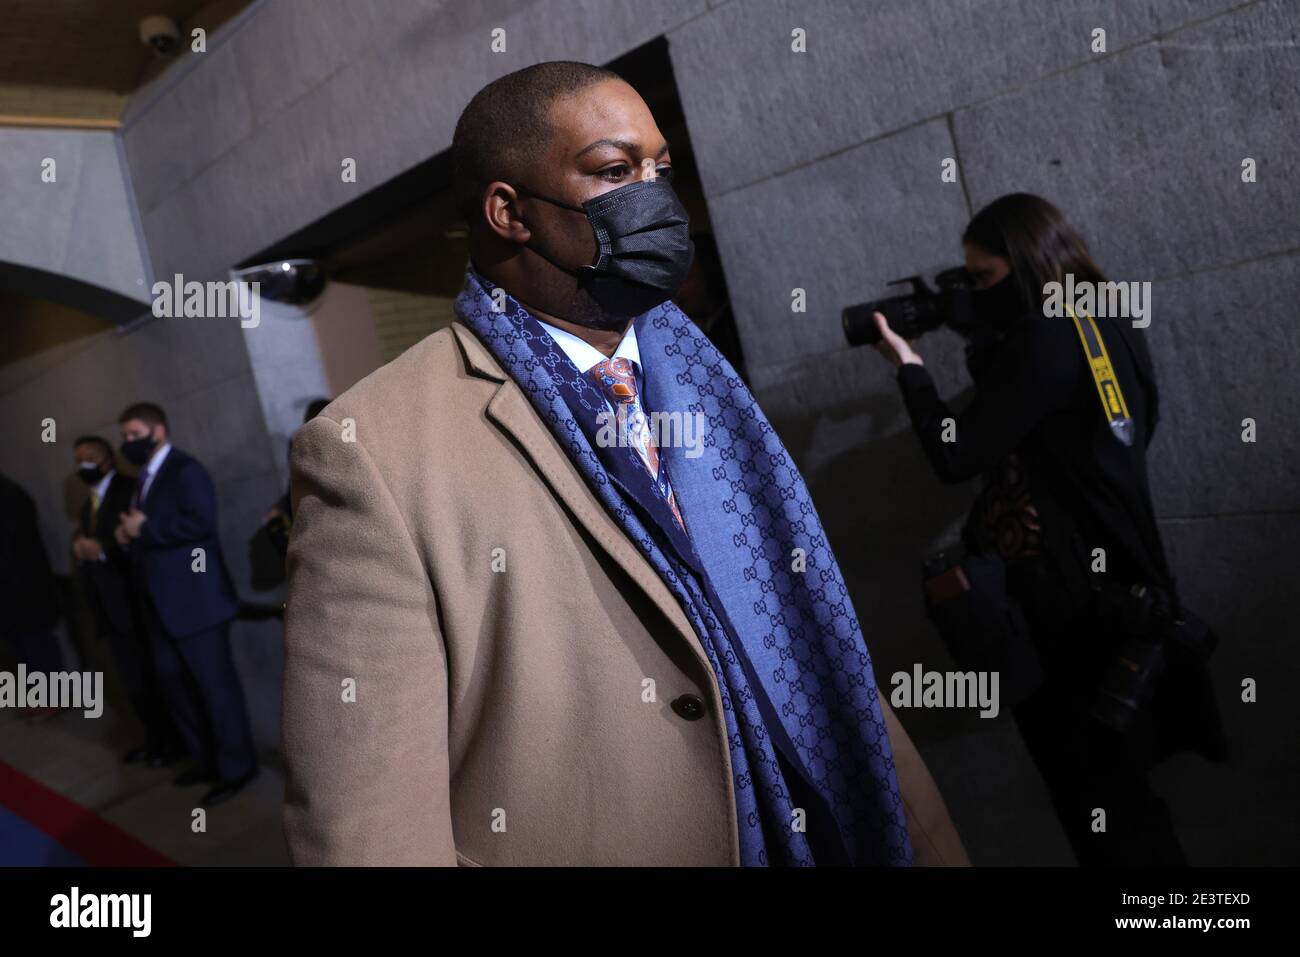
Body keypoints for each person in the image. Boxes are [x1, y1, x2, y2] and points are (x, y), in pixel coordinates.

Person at [283, 61, 968, 866]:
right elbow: (368, 827)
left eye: (660, 170)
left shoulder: (703, 378)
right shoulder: (367, 450)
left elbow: (806, 633)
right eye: (615, 171)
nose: (656, 196)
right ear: (509, 211)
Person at [871, 192, 1227, 866]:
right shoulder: (1106, 320)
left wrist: (911, 369)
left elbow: (957, 451)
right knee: (1122, 789)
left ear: (1027, 263)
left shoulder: (1043, 339)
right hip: (1126, 587)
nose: (977, 292)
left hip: (1063, 607)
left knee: (1093, 798)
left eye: (984, 278)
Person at [114, 402, 258, 807]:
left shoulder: (185, 469)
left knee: (215, 691)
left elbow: (200, 522)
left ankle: (237, 768)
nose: (127, 443)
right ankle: (206, 760)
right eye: (123, 437)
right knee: (177, 689)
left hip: (197, 605)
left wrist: (147, 528)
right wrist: (129, 537)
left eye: (133, 435)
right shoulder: (144, 477)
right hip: (159, 607)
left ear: (157, 431)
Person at [71, 436, 183, 765]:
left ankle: (174, 744)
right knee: (132, 681)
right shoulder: (87, 503)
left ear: (106, 459)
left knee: (153, 679)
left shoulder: (129, 490)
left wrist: (103, 548)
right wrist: (82, 552)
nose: (82, 466)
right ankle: (154, 739)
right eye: (78, 461)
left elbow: (137, 543)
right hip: (110, 609)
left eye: (89, 458)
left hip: (135, 604)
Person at [0, 472, 64, 720]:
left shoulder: (9, 494)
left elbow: (12, 545)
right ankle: (37, 696)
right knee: (21, 646)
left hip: (23, 585)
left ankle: (55, 697)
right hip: (10, 588)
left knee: (36, 642)